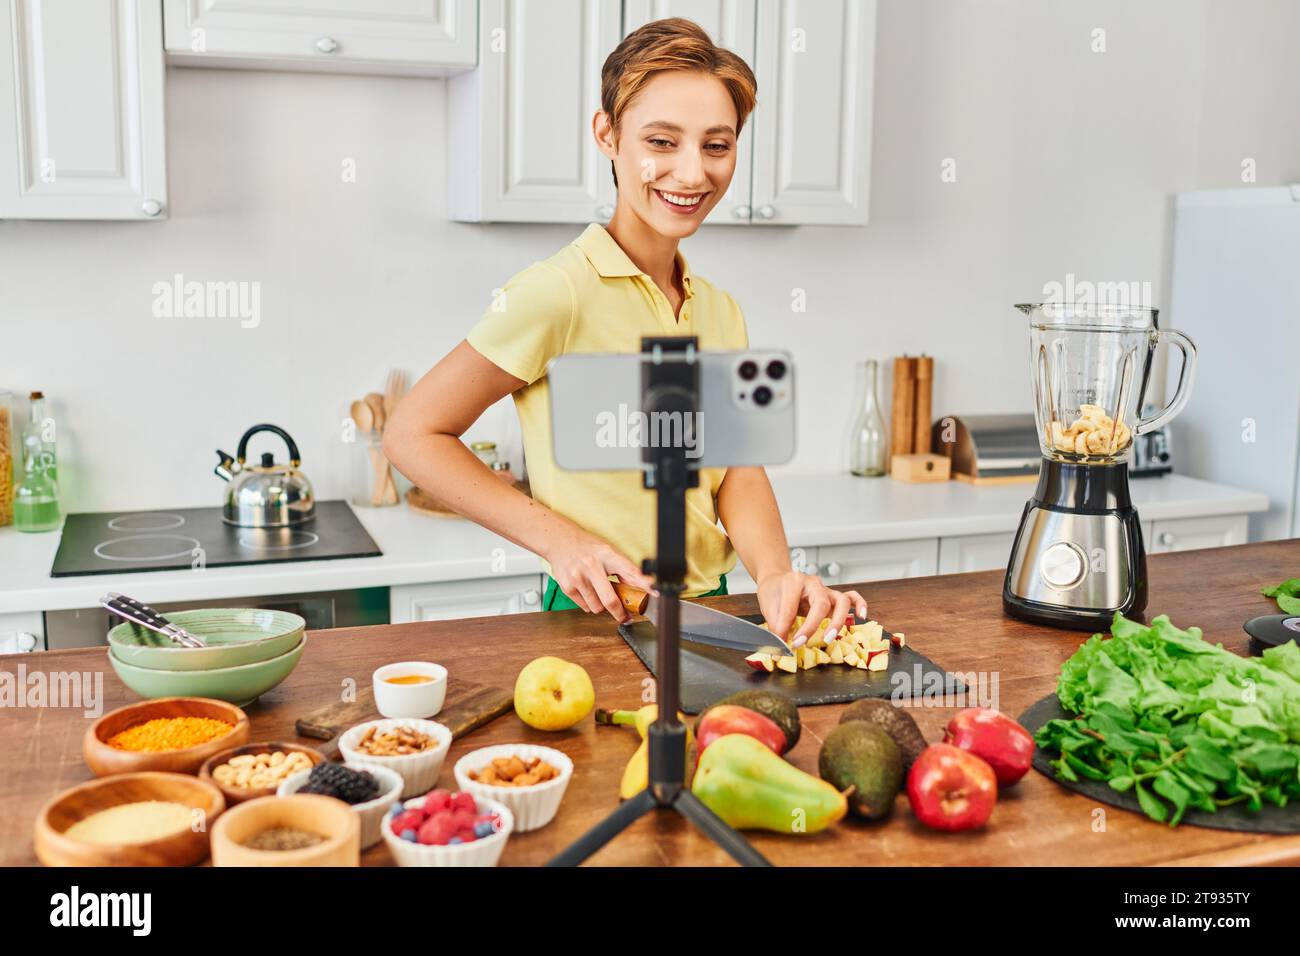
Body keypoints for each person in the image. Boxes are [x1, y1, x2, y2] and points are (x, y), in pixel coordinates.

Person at [385, 18, 866, 646]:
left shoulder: (719, 309)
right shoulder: (556, 291)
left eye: (716, 146)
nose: (692, 174)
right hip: (596, 612)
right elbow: (412, 434)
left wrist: (774, 573)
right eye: (662, 141)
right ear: (607, 135)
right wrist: (561, 541)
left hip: (711, 607)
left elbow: (737, 469)